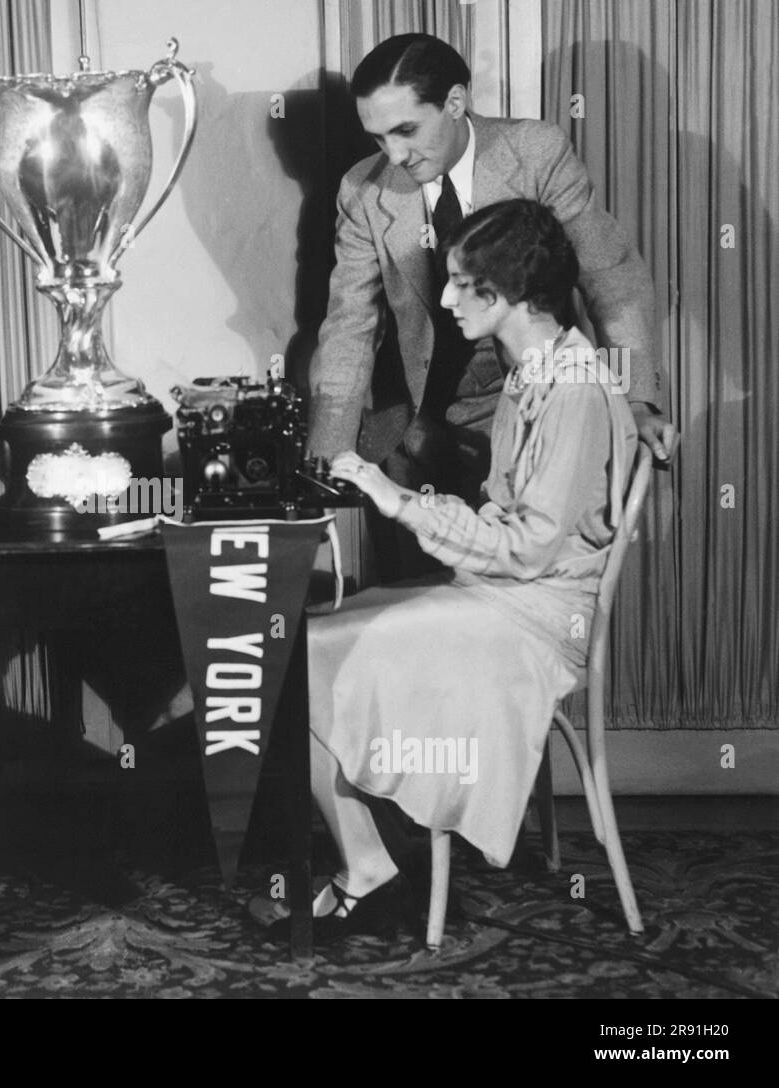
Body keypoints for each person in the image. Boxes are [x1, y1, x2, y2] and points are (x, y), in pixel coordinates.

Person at [252, 199, 637, 934]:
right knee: (299, 642)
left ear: (514, 297)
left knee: (295, 663)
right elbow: (508, 522)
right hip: (498, 595)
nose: (448, 299)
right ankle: (375, 851)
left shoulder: (576, 388)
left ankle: (368, 861)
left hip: (533, 619)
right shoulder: (531, 373)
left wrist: (401, 501)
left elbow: (529, 547)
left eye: (466, 285)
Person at [308, 33, 674, 580]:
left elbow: (611, 277)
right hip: (414, 425)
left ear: (455, 103)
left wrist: (637, 398)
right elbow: (349, 326)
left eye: (407, 130)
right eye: (378, 137)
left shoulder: (535, 154)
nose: (395, 156)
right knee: (416, 613)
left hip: (523, 412)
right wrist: (328, 459)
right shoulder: (362, 190)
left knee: (512, 581)